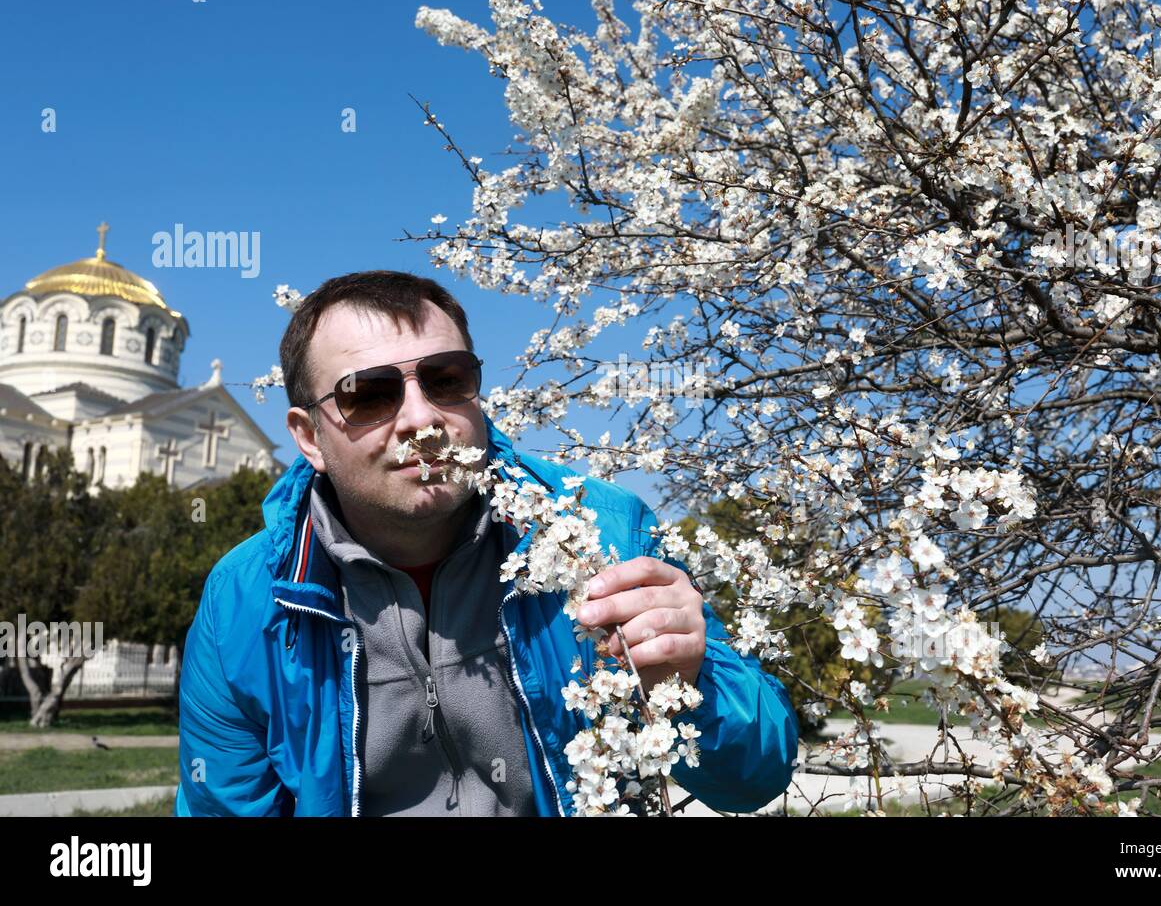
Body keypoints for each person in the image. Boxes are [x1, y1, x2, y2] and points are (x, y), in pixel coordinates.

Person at [174, 270, 798, 816]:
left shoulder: (604, 535)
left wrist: (690, 681)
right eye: (369, 393)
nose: (421, 419)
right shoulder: (247, 603)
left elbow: (755, 778)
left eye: (445, 379)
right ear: (309, 437)